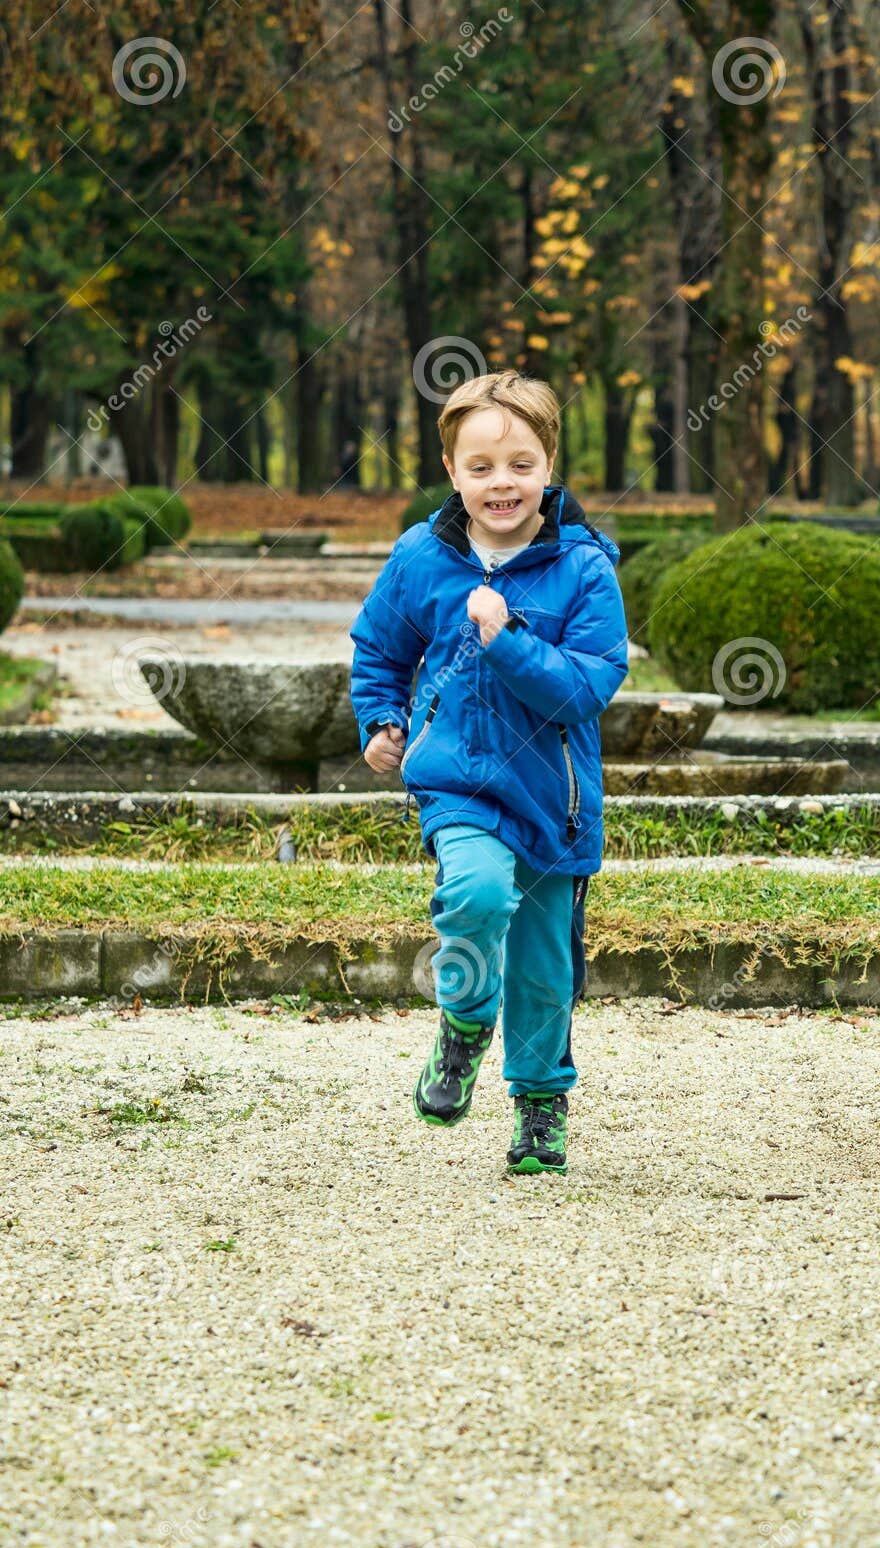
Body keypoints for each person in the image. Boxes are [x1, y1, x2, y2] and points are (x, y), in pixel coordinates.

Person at [349, 370, 628, 1175]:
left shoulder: (583, 569)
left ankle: (540, 1106)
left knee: (543, 971)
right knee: (472, 894)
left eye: (519, 463)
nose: (500, 483)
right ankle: (464, 1024)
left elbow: (586, 687)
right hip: (458, 783)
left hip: (554, 801)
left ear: (548, 464)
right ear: (452, 473)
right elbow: (379, 649)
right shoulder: (421, 557)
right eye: (480, 467)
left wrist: (506, 642)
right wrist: (382, 720)